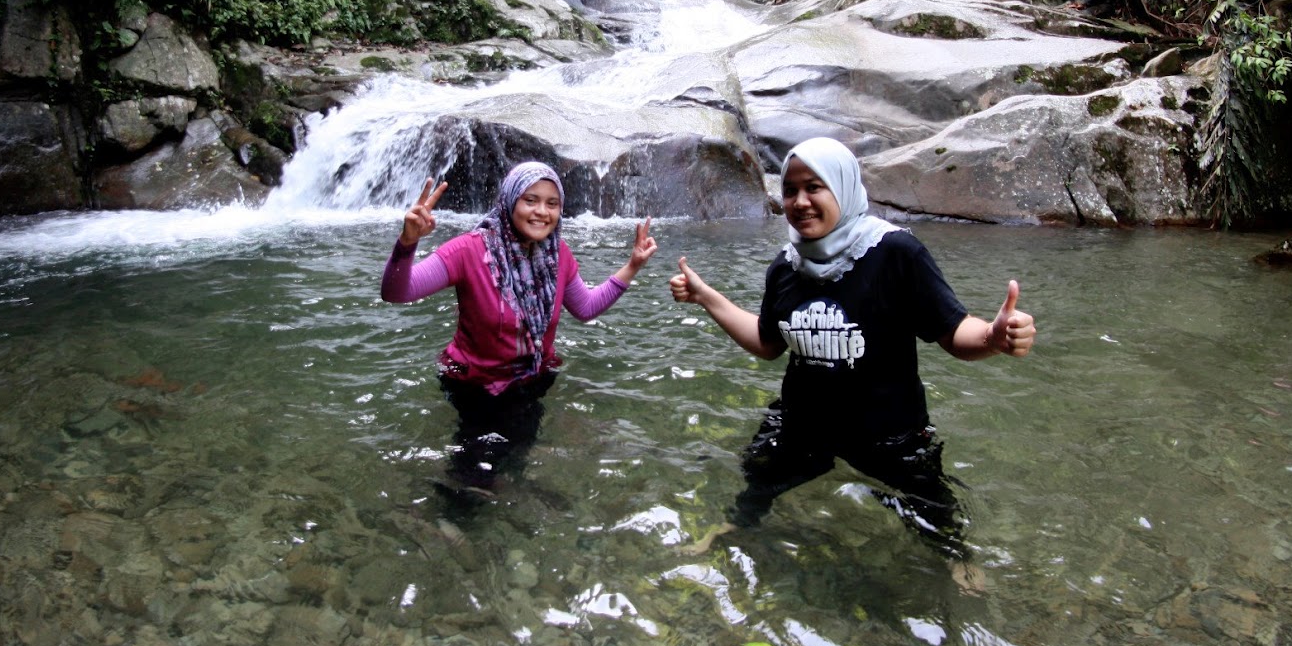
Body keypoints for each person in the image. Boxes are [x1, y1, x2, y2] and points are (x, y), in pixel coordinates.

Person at [669, 136, 1035, 573]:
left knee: (931, 510)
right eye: (790, 190)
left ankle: (958, 563)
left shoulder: (895, 253)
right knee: (758, 481)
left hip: (888, 431)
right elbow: (768, 343)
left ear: (843, 187)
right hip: (804, 423)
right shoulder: (786, 266)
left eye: (814, 187)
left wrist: (993, 337)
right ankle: (737, 526)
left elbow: (954, 331)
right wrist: (706, 296)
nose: (800, 202)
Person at [381, 161, 657, 502]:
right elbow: (398, 292)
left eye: (552, 203)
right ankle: (450, 516)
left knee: (516, 453)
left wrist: (633, 265)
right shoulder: (469, 250)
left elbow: (585, 308)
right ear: (510, 200)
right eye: (530, 200)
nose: (542, 212)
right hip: (476, 383)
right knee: (473, 475)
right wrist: (407, 242)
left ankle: (506, 496)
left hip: (532, 378)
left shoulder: (557, 254)